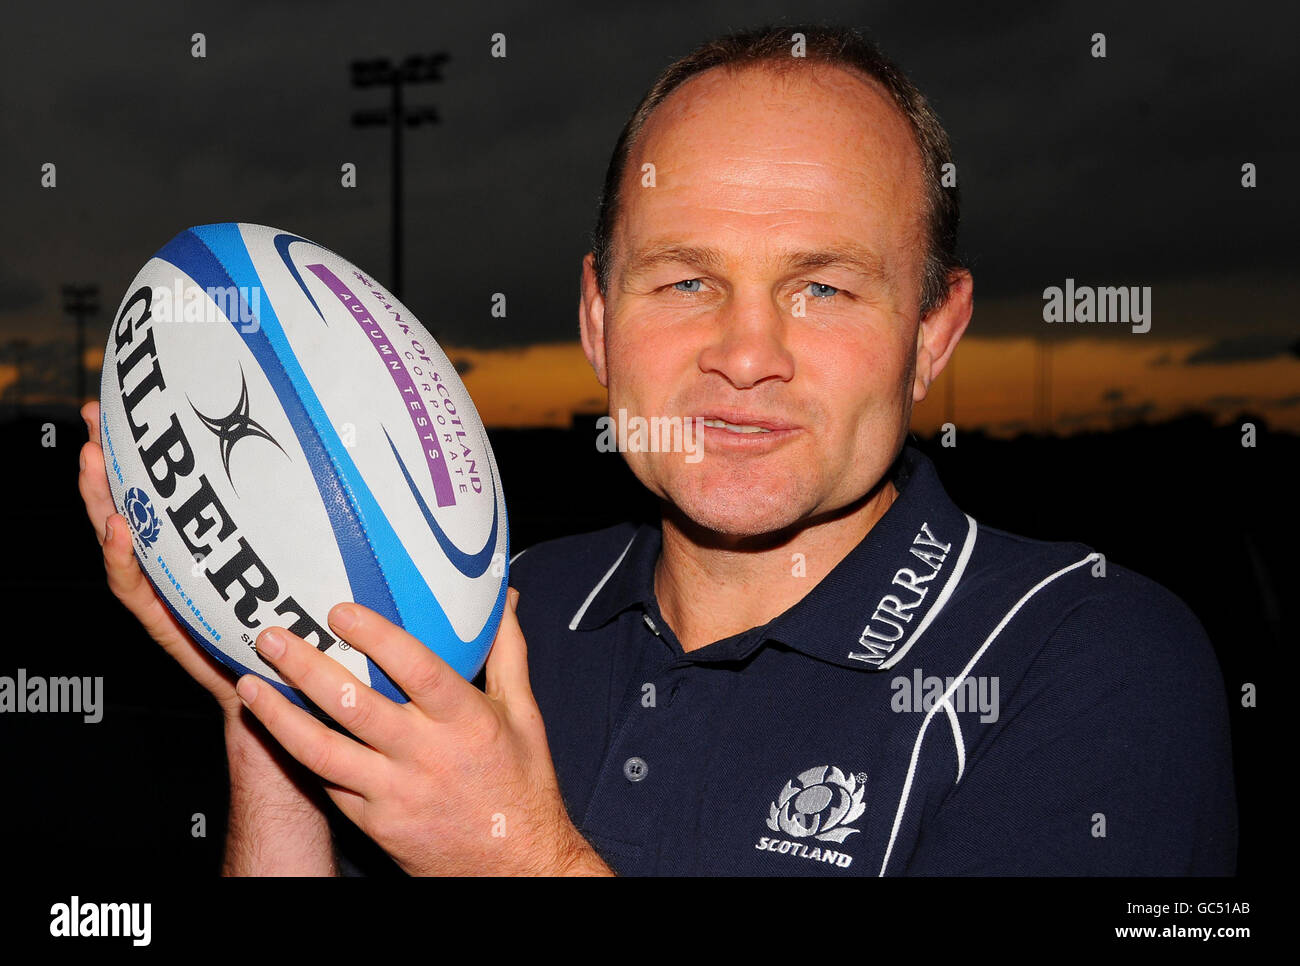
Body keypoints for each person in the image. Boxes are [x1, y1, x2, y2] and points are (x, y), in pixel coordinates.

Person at [78, 23, 1236, 876]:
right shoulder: (493, 615)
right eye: (684, 281)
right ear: (595, 322)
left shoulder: (1090, 659)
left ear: (930, 337)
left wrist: (515, 858)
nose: (744, 353)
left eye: (824, 288)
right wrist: (270, 695)